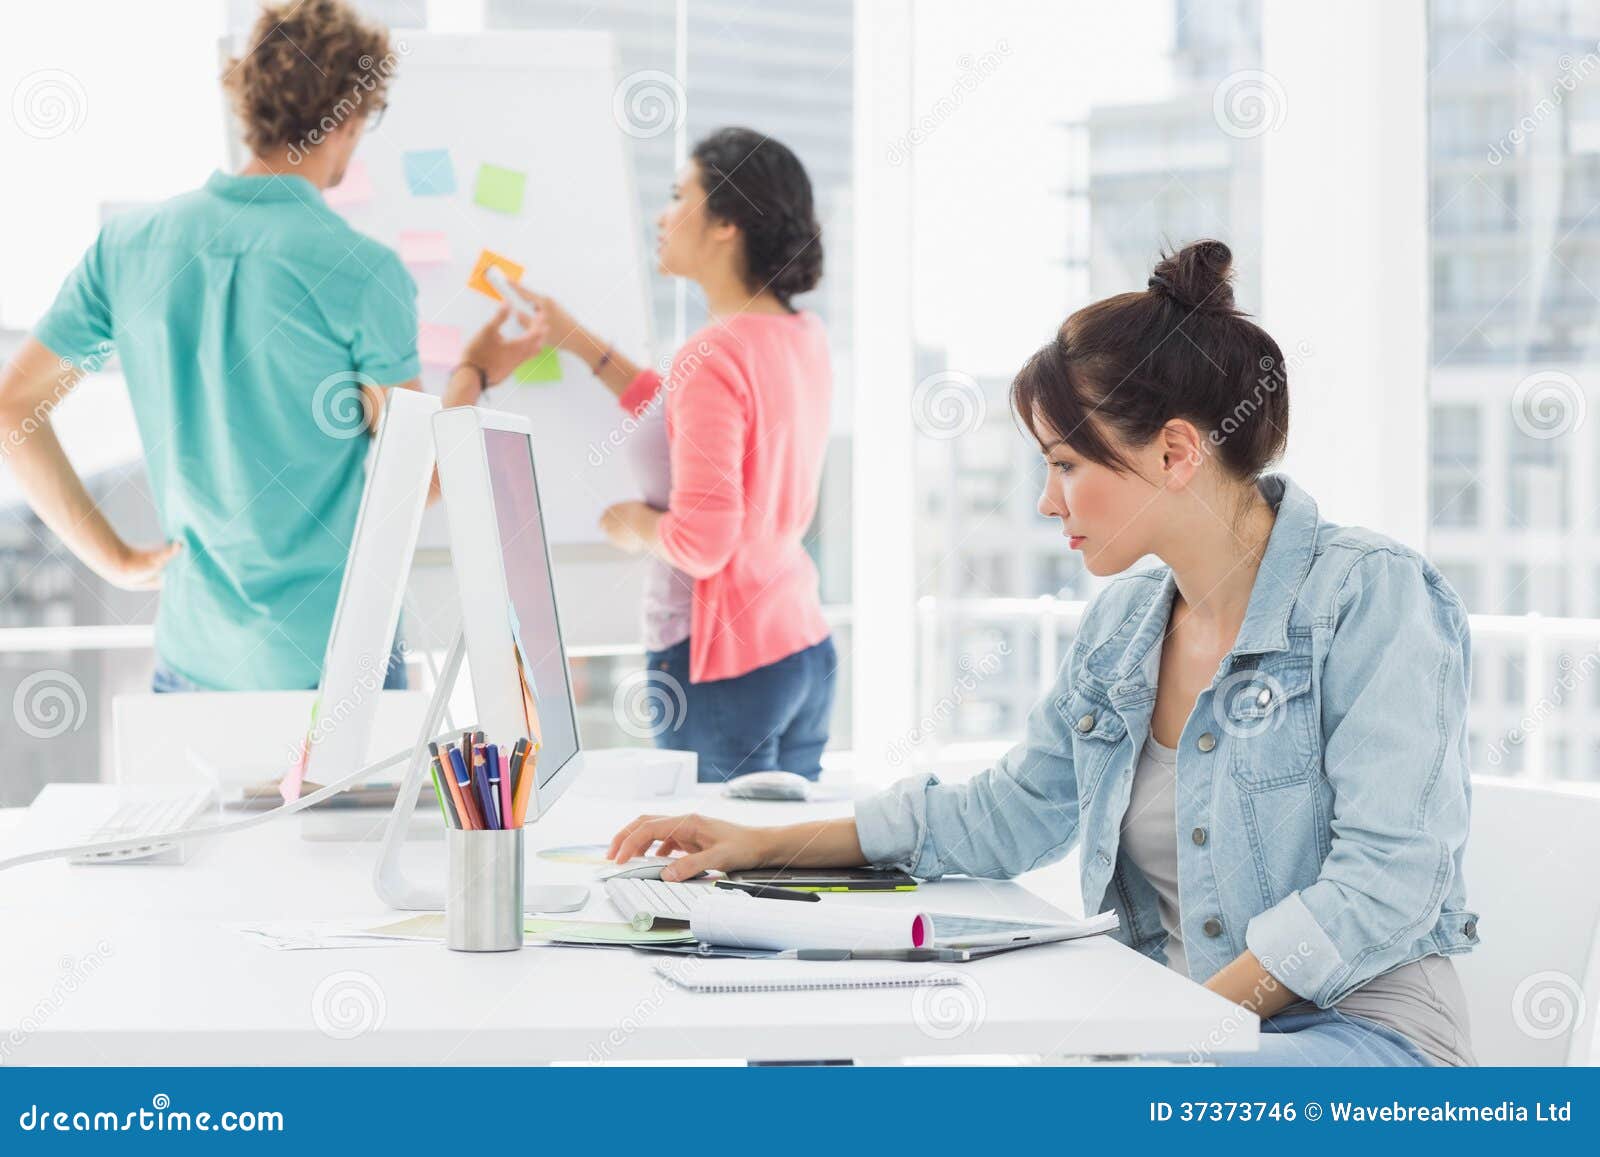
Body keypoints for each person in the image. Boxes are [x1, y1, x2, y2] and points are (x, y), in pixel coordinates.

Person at [606, 240, 1480, 1067]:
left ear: (1175, 452)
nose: (1046, 501)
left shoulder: (1370, 599)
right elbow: (1008, 812)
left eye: (1064, 465)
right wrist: (766, 844)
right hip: (1186, 1036)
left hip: (1361, 1042)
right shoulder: (1126, 626)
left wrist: (1165, 1035)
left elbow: (1383, 881)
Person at [0, 0, 545, 694]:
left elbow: (13, 406)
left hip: (192, 660)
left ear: (248, 103)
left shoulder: (130, 246)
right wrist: (472, 374)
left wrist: (112, 558)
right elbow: (414, 483)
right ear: (347, 121)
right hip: (335, 668)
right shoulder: (360, 271)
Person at [521, 127, 836, 782]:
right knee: (786, 866)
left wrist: (631, 522)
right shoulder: (799, 335)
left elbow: (702, 541)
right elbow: (679, 416)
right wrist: (576, 340)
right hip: (800, 647)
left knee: (716, 874)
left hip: (720, 665)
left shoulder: (712, 354)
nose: (662, 216)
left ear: (725, 224)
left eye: (677, 196)